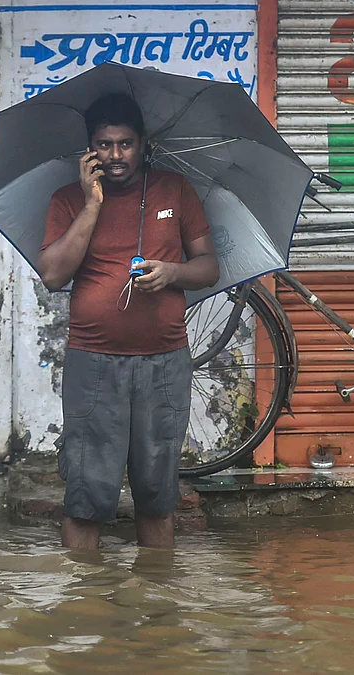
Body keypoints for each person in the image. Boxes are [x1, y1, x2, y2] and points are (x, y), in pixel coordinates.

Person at [38, 93, 220, 549]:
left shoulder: (174, 190)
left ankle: (157, 606)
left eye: (125, 144)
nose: (115, 155)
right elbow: (54, 274)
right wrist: (92, 204)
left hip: (164, 364)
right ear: (89, 150)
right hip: (94, 364)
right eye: (104, 145)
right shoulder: (67, 200)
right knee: (86, 494)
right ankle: (85, 607)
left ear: (144, 145)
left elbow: (209, 267)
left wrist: (172, 272)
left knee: (158, 495)